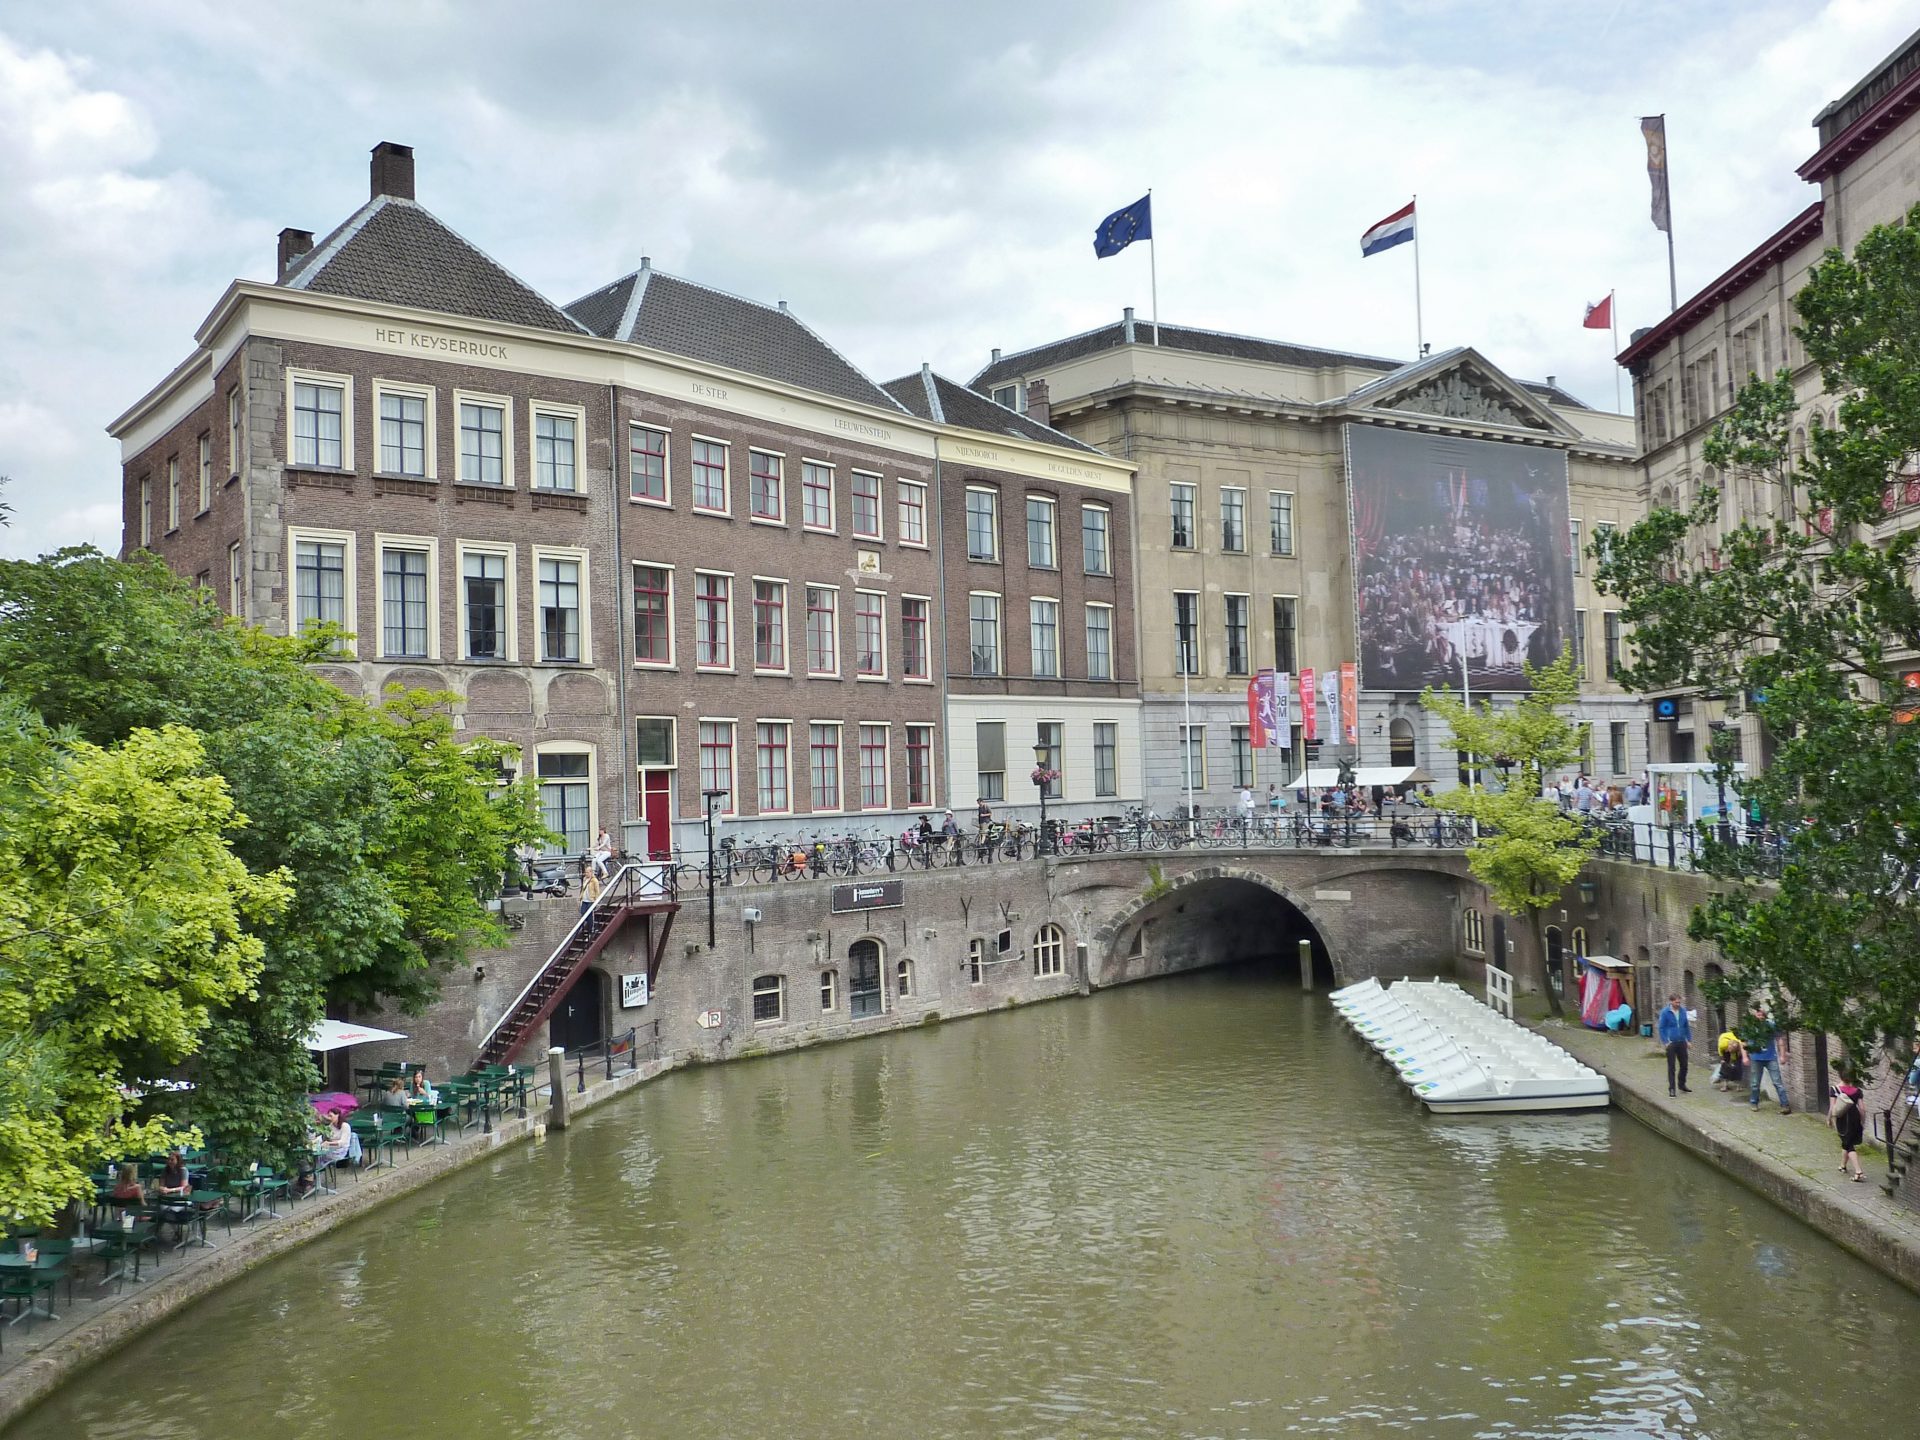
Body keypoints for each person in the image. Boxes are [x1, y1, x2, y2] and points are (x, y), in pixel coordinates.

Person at [1744, 1006, 1790, 1113]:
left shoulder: (1771, 1026)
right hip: (1756, 1058)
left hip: (1770, 1057)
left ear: (1765, 1016)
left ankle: (1785, 1105)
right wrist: (1745, 1056)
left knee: (1777, 1082)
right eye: (1758, 1014)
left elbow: (1780, 1039)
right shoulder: (1750, 1027)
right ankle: (1754, 1102)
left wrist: (1782, 1055)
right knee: (1755, 1083)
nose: (1760, 1016)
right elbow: (1744, 1042)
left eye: (1762, 1014)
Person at [1657, 994, 1692, 1096]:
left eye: (1679, 1002)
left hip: (1681, 1041)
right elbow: (1662, 1028)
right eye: (1676, 1002)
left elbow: (1686, 1026)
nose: (1678, 1004)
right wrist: (1666, 1042)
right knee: (1671, 1067)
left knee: (1684, 1065)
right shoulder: (1665, 1012)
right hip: (1671, 1042)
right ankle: (1672, 1089)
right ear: (1671, 1001)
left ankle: (1682, 1084)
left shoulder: (1683, 1011)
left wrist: (1688, 1040)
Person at [1832, 1082, 1867, 1182]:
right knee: (1846, 1142)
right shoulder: (1857, 1091)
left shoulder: (1835, 1090)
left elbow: (1833, 1107)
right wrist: (1862, 1121)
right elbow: (1862, 1108)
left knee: (1848, 1144)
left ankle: (1858, 1171)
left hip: (1843, 1120)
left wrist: (1829, 1118)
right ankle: (1843, 1165)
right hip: (1855, 1118)